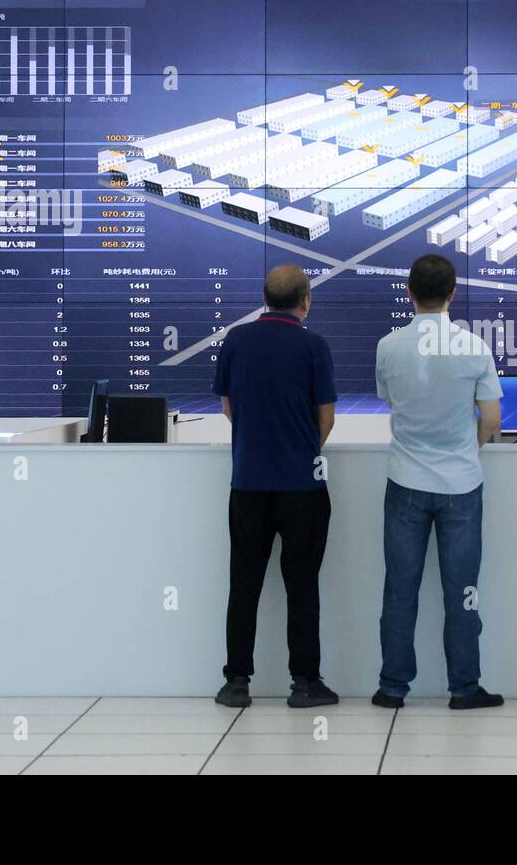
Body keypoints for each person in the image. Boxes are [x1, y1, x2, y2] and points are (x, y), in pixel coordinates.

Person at [372, 254, 505, 710]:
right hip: (461, 485)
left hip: (405, 480)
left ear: (408, 292)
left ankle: (392, 687)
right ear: (453, 294)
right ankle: (464, 688)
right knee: (462, 590)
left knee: (399, 587)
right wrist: (471, 446)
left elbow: (392, 403)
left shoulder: (388, 346)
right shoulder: (475, 348)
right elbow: (491, 420)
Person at [212, 264, 339, 710]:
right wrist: (300, 446)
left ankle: (236, 682)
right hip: (302, 486)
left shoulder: (236, 340)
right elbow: (326, 415)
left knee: (243, 582)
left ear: (264, 298)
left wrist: (257, 439)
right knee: (302, 584)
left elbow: (229, 405)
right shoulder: (313, 345)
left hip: (247, 483)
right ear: (306, 300)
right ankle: (305, 683)